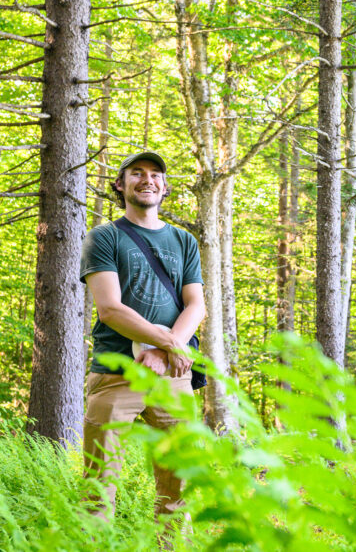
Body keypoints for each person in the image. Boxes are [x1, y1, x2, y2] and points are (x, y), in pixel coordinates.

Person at [80, 151, 205, 522]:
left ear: (164, 187)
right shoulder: (103, 237)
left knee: (177, 487)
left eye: (155, 175)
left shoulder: (184, 241)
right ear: (121, 184)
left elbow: (196, 305)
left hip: (173, 377)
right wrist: (166, 344)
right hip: (117, 369)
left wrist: (166, 353)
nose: (147, 179)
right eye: (137, 173)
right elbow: (110, 309)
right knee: (98, 487)